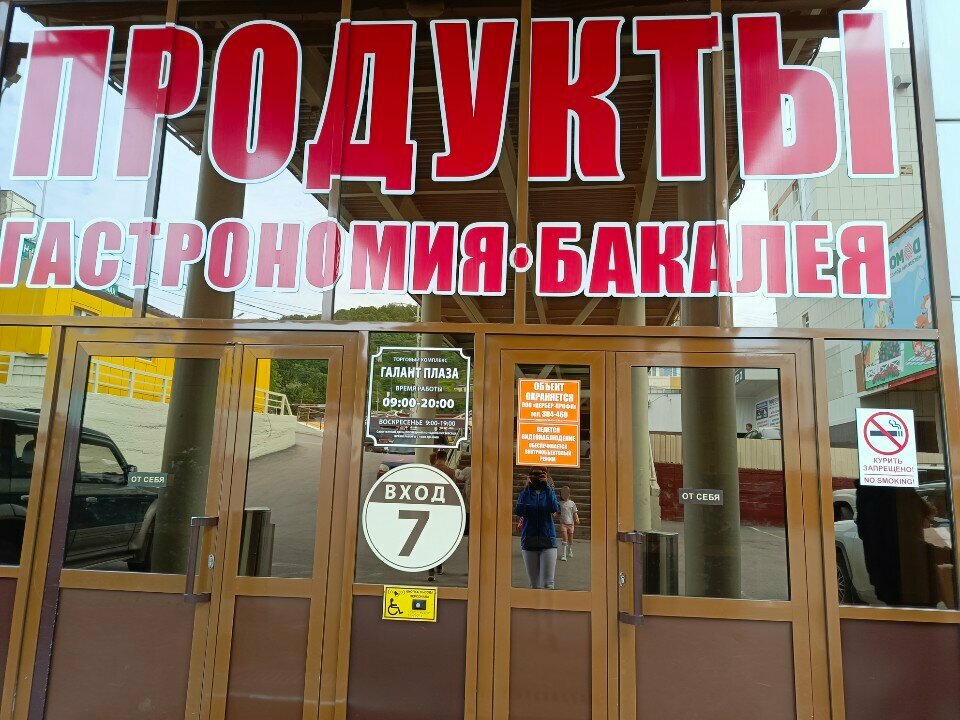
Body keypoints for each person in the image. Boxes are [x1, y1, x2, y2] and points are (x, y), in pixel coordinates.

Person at [515, 467, 560, 589]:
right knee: (534, 585)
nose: (537, 476)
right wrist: (527, 489)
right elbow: (519, 511)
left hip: (548, 542)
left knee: (548, 584)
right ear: (529, 476)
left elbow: (554, 508)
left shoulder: (549, 492)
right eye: (534, 474)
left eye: (541, 474)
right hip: (529, 541)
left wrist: (547, 487)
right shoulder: (525, 493)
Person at [557, 486, 579, 561]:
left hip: (571, 524)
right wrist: (554, 514)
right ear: (561, 494)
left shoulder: (572, 503)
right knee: (565, 538)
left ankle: (569, 549)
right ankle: (564, 555)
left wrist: (577, 518)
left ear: (569, 494)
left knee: (570, 540)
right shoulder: (560, 503)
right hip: (563, 523)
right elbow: (557, 512)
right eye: (563, 493)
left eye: (566, 493)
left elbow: (575, 512)